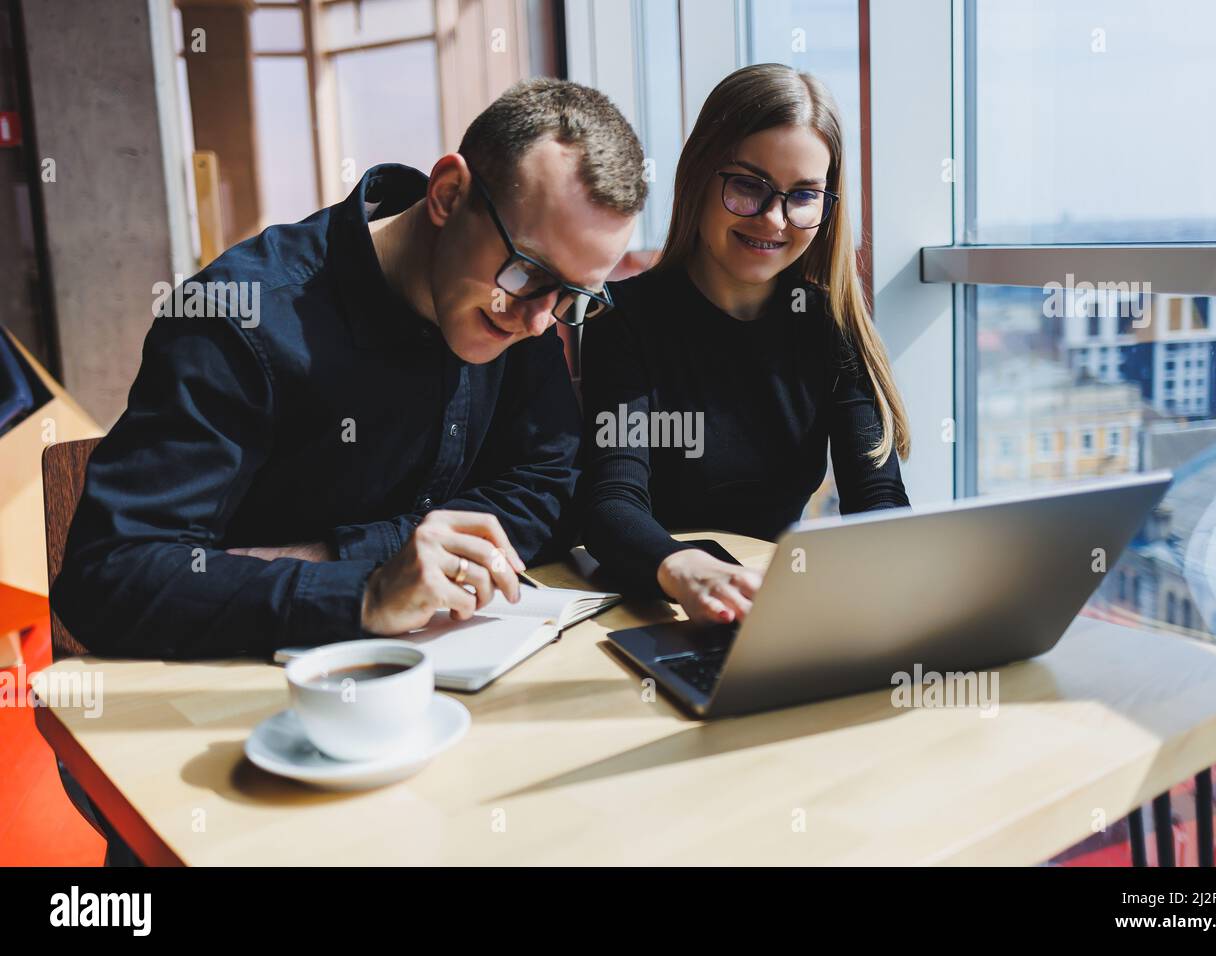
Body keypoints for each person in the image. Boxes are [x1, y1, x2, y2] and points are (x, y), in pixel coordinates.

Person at [53, 78, 646, 658]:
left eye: (572, 296)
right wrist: (368, 587)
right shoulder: (238, 315)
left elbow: (542, 483)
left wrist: (369, 554)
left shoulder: (525, 309)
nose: (541, 322)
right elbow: (108, 575)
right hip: (235, 685)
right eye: (525, 269)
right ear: (446, 195)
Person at [580, 63, 911, 624]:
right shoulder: (622, 317)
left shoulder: (830, 324)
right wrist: (682, 567)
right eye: (749, 186)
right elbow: (612, 501)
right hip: (655, 603)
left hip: (773, 609)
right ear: (700, 174)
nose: (774, 220)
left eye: (802, 195)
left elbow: (876, 501)